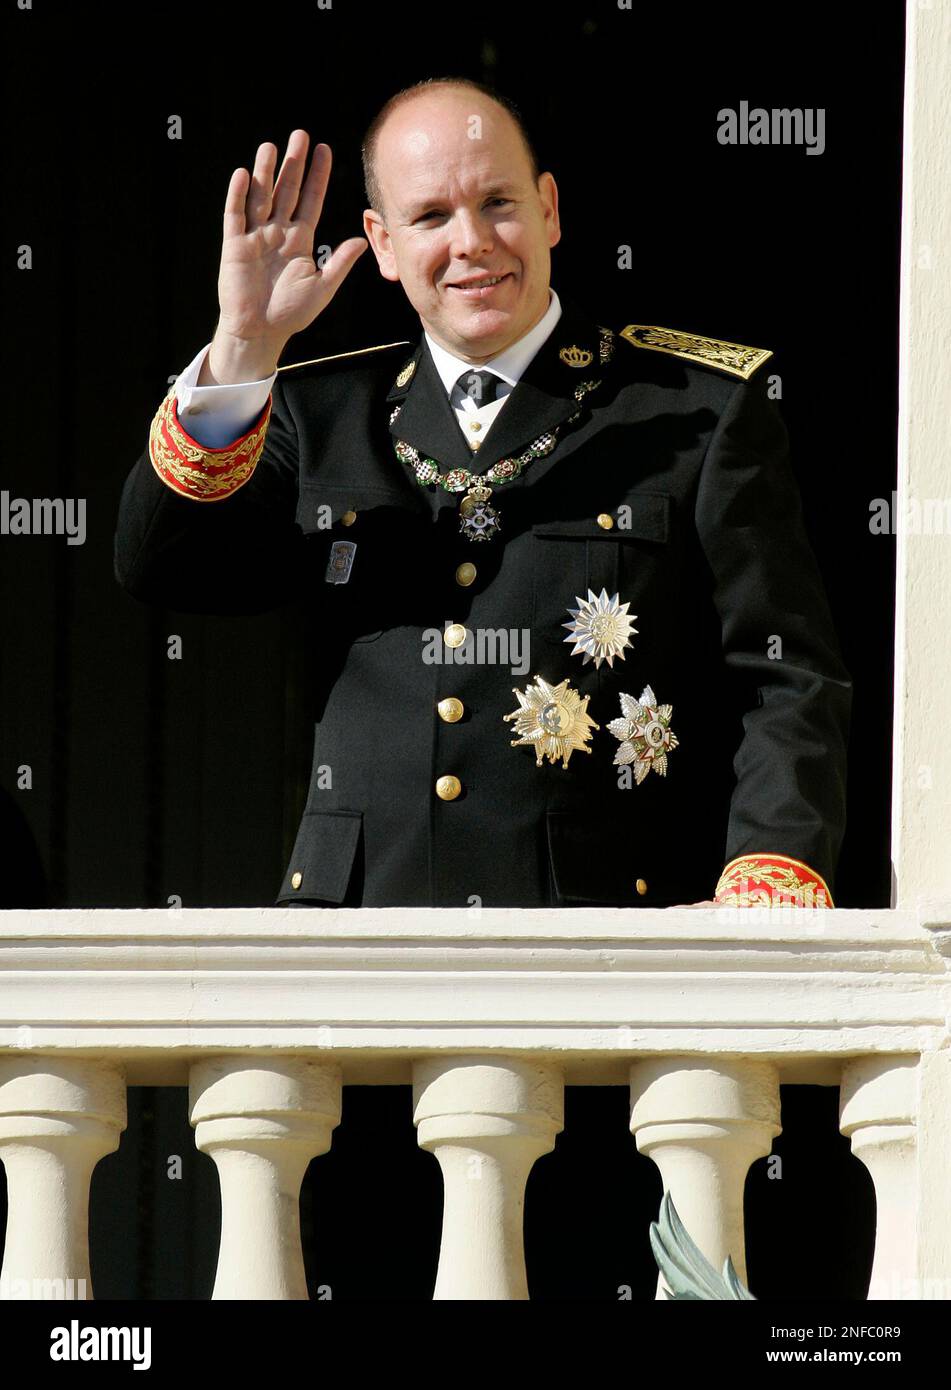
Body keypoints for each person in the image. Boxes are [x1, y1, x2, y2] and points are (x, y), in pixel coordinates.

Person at [115, 77, 852, 912]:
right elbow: (161, 566)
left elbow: (782, 677)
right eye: (429, 216)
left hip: (607, 940)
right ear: (381, 244)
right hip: (356, 938)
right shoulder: (313, 412)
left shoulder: (695, 410)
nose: (471, 242)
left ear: (549, 209)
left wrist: (763, 890)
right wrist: (243, 348)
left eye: (497, 202)